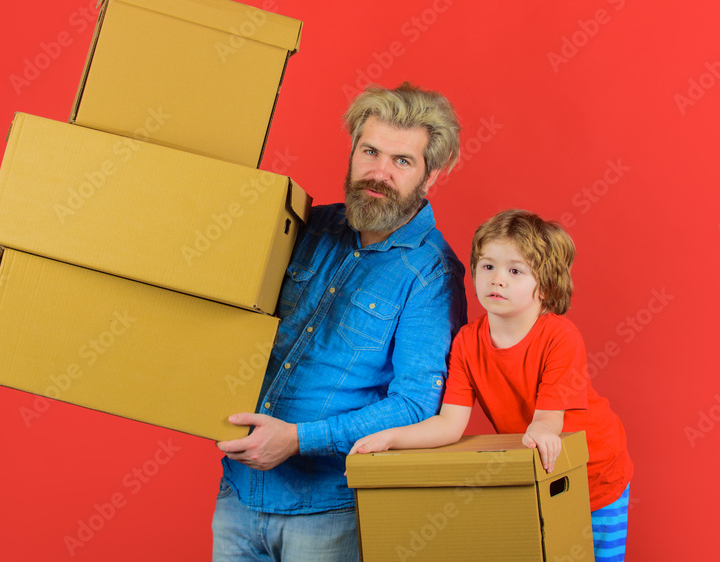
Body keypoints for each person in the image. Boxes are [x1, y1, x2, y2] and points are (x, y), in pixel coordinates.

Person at [212, 82, 468, 561]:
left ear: (430, 176)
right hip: (238, 492)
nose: (379, 172)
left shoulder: (432, 274)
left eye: (402, 161)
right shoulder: (308, 225)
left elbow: (416, 404)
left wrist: (298, 440)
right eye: (370, 151)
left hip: (330, 511)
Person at [350, 209, 634, 562]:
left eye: (515, 271)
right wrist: (390, 438)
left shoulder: (560, 336)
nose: (497, 280)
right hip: (537, 468)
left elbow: (549, 420)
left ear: (545, 286)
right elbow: (449, 424)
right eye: (488, 266)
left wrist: (540, 431)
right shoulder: (468, 342)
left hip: (597, 469)